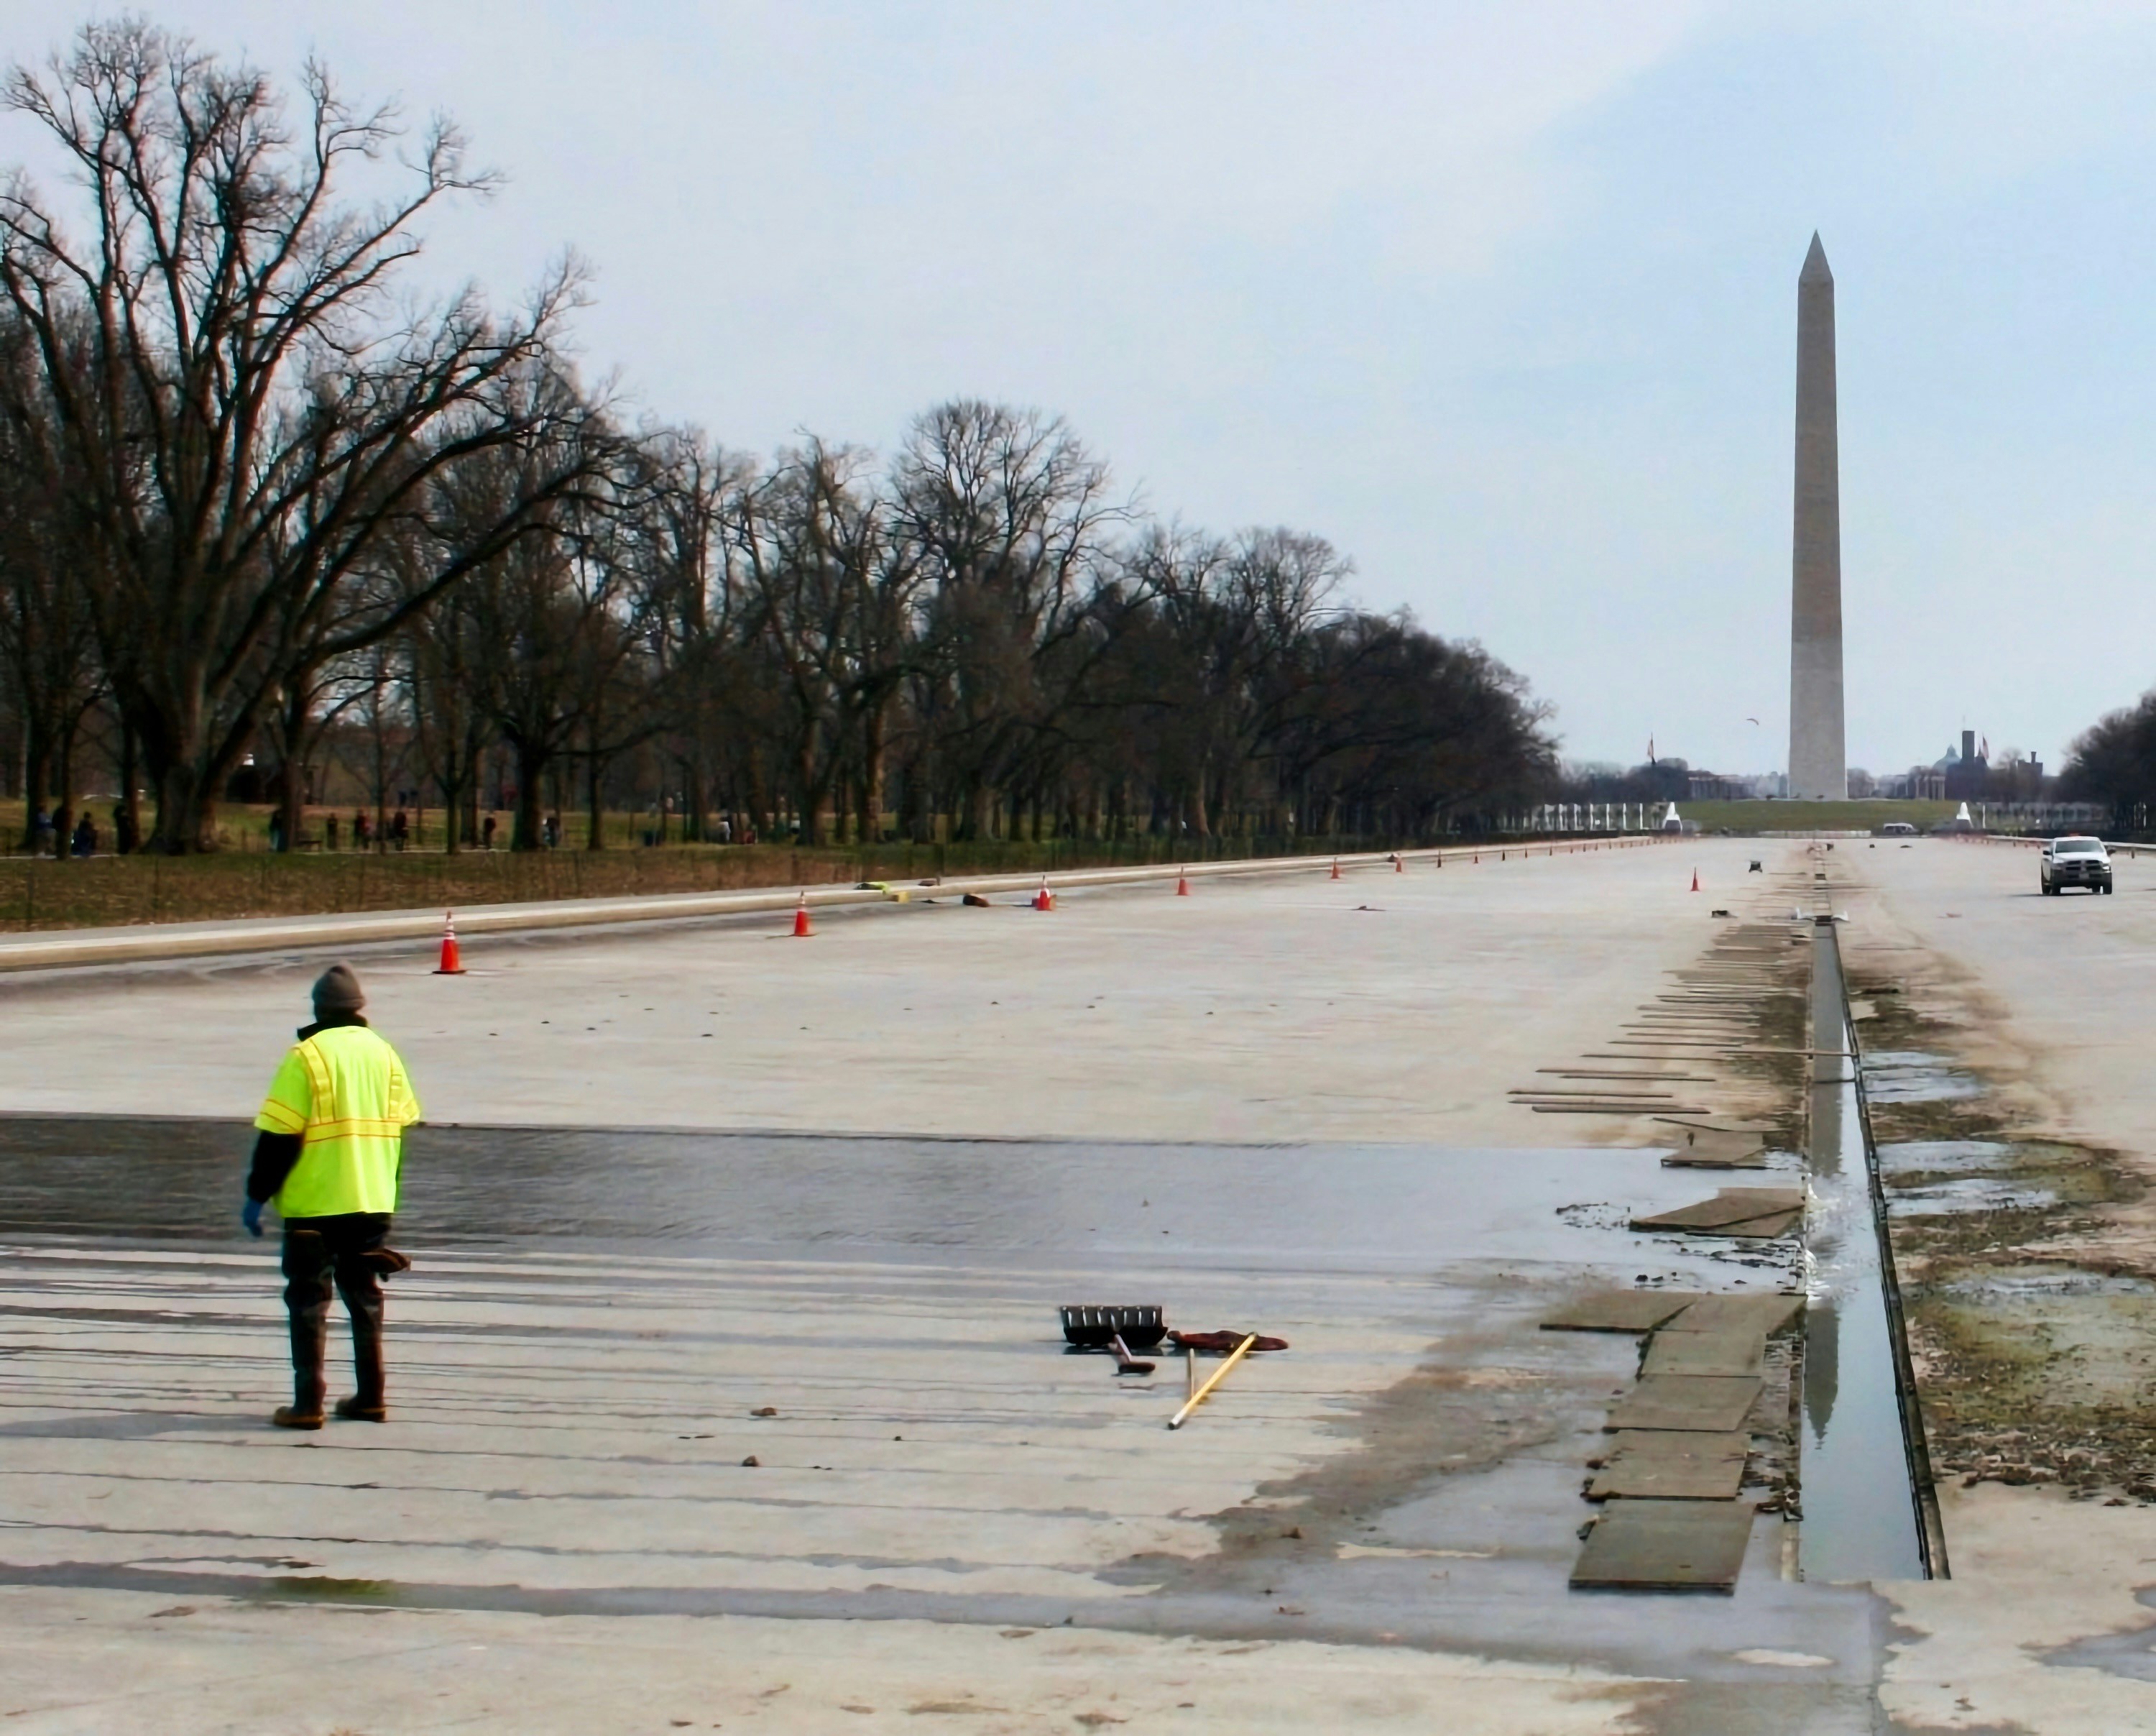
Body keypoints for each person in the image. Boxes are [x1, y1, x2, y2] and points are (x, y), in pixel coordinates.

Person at [242, 963, 422, 1429]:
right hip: (371, 1199)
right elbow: (400, 1129)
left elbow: (279, 1138)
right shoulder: (384, 1054)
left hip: (314, 1205)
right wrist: (386, 1192)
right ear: (358, 1007)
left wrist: (256, 1195)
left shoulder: (306, 1057)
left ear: (319, 1009)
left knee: (308, 1301)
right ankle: (371, 1397)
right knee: (365, 1298)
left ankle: (308, 1404)